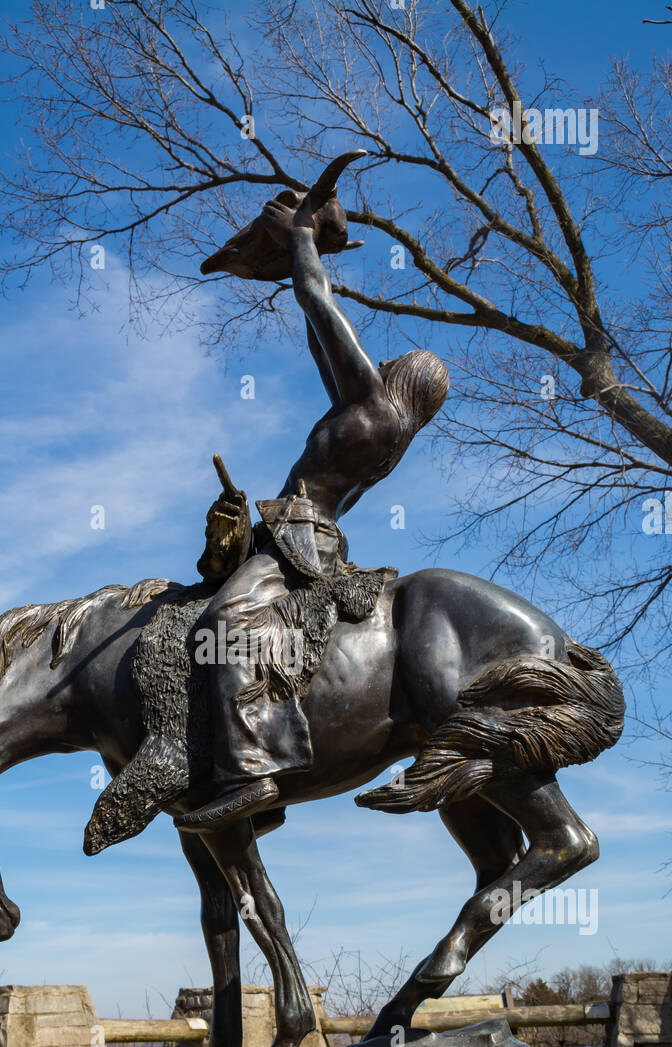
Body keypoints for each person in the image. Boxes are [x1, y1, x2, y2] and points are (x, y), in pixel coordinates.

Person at [176, 184, 450, 833]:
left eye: (389, 360)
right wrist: (303, 259)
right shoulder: (371, 420)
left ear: (402, 376)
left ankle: (255, 773)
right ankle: (241, 771)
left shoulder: (376, 407)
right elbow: (318, 339)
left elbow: (321, 307)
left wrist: (301, 240)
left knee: (228, 619)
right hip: (300, 533)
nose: (375, 359)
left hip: (303, 535)